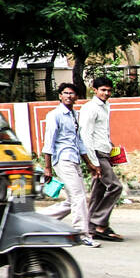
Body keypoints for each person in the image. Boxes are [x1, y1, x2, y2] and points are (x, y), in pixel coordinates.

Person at [41, 82, 102, 248]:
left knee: (74, 199)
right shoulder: (54, 115)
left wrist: (89, 163)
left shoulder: (75, 115)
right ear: (60, 96)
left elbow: (79, 142)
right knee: (79, 197)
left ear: (77, 97)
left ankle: (40, 220)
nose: (69, 96)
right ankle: (82, 234)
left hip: (74, 158)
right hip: (62, 159)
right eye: (66, 93)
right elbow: (49, 141)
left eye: (72, 94)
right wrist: (48, 167)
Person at [80, 75, 124, 241]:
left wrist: (111, 147)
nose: (106, 93)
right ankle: (100, 223)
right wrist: (92, 162)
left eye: (109, 90)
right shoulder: (89, 108)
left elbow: (102, 131)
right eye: (103, 90)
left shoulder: (106, 106)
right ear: (95, 90)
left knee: (98, 191)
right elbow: (86, 135)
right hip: (96, 153)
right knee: (115, 186)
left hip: (104, 151)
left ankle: (90, 228)